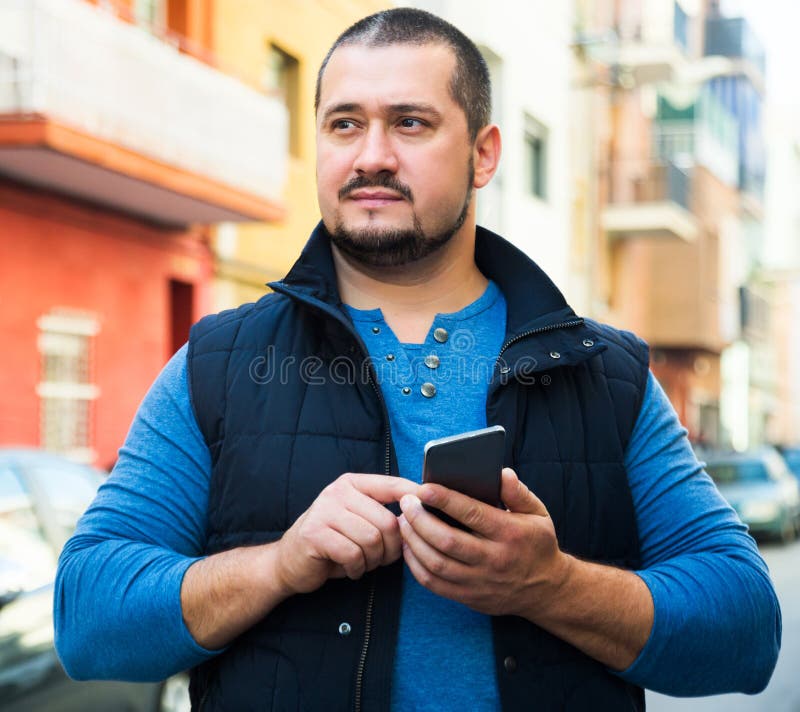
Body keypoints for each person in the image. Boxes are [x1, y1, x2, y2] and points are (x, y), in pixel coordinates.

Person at [54, 8, 780, 711]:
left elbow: (746, 631)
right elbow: (88, 623)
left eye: (410, 122)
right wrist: (279, 564)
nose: (372, 155)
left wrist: (551, 585)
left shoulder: (607, 374)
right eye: (344, 124)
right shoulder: (217, 362)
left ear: (485, 153)